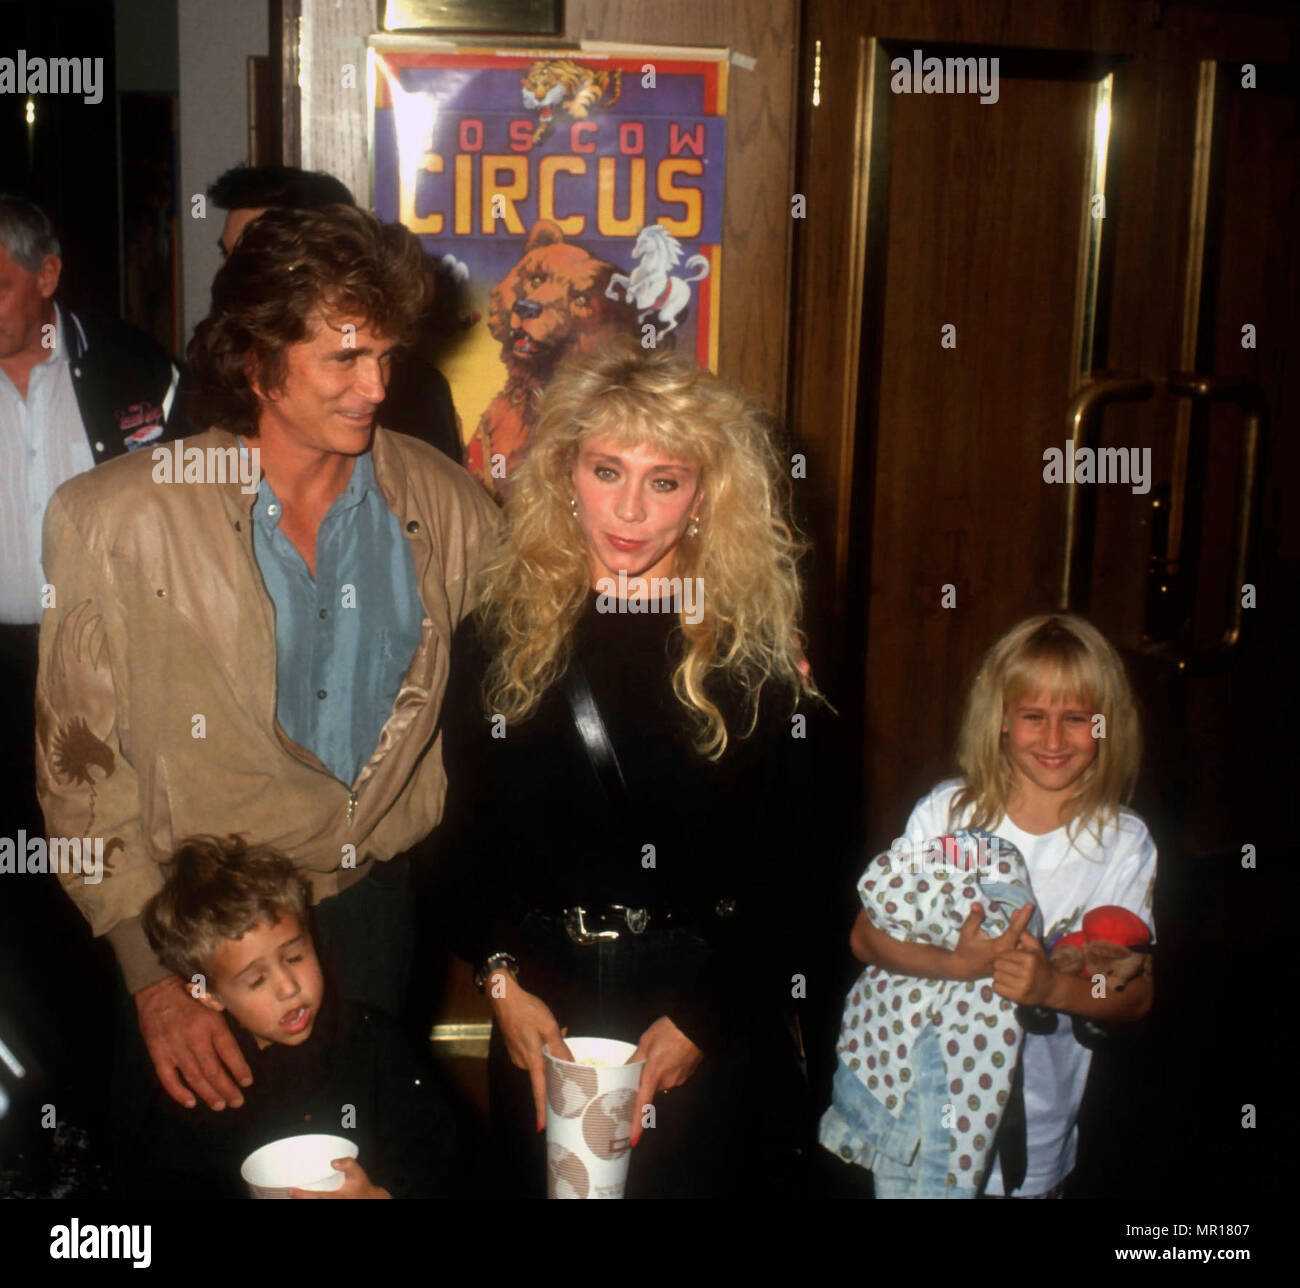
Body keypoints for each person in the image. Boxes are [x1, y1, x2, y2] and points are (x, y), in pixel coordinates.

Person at [34, 205, 499, 1184]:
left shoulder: (445, 503)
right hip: (189, 927)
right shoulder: (114, 518)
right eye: (343, 358)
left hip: (367, 917)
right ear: (254, 360)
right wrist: (154, 975)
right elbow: (77, 775)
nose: (377, 386)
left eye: (386, 354)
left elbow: (558, 631)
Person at [434, 343, 830, 1198]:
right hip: (544, 1001)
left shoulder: (753, 655)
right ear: (563, 472)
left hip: (698, 996)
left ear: (705, 495)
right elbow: (463, 843)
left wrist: (706, 1015)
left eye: (665, 480)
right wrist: (500, 984)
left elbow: (802, 868)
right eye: (606, 470)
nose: (629, 510)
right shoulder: (499, 635)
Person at [820, 614, 1157, 1198]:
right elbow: (864, 938)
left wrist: (1053, 988)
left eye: (1076, 719)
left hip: (1039, 1138)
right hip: (918, 1120)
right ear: (1001, 720)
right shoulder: (948, 816)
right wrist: (961, 965)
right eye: (1034, 717)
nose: (1054, 741)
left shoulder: (1122, 842)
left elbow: (1131, 993)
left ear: (1105, 725)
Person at [0, 194, 182, 1167]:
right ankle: (36, 1126)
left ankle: (121, 1122)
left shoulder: (132, 365)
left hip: (109, 662)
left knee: (110, 874)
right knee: (17, 894)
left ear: (49, 275)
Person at [134, 834, 456, 1199]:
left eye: (295, 957)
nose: (288, 987)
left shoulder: (374, 1042)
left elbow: (440, 1157)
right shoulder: (203, 1082)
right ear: (207, 995)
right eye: (256, 980)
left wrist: (384, 1195)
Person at [207, 164, 464, 464]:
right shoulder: (201, 406)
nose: (226, 278)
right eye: (230, 257)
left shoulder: (416, 399)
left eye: (257, 258)